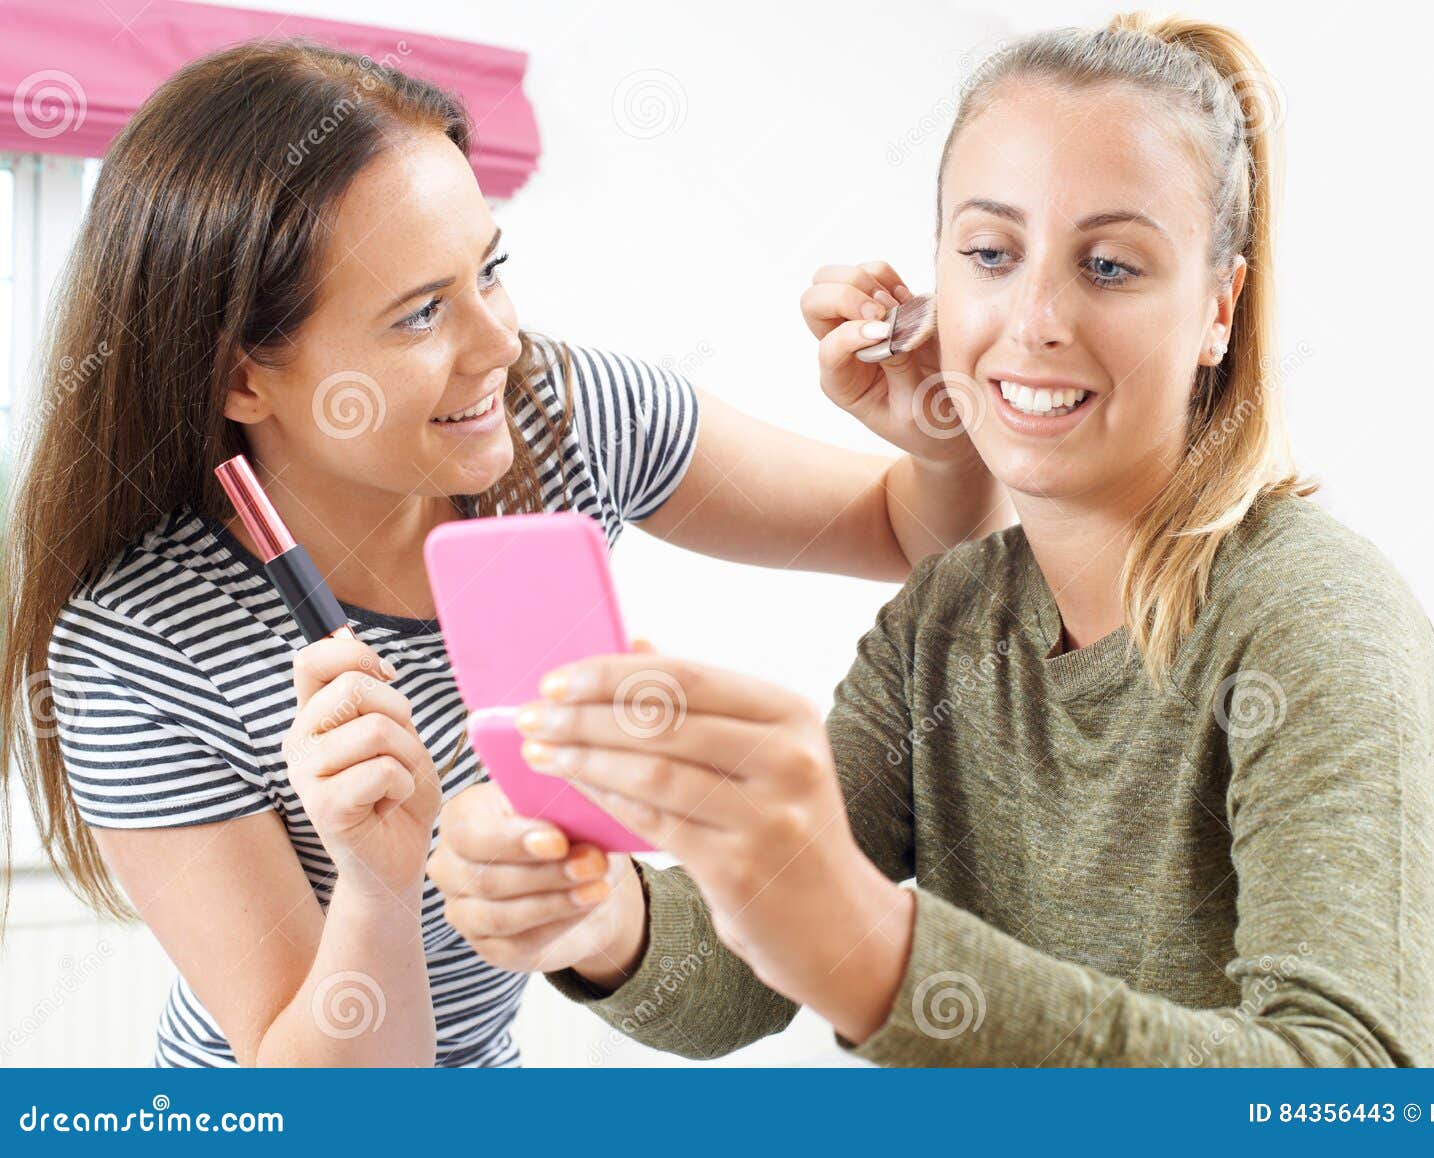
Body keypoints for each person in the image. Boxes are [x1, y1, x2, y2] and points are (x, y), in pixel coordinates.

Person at [430, 14, 1434, 1066]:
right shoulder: (942, 625)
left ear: (1219, 307)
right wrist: (595, 912)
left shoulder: (1316, 623)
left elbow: (1351, 1090)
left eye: (1111, 267)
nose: (1034, 317)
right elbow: (739, 973)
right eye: (990, 253)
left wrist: (873, 952)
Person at [0, 40, 1010, 1067]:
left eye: (489, 270)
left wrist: (940, 428)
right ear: (246, 379)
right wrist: (379, 883)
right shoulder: (136, 643)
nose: (501, 346)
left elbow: (908, 535)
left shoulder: (559, 414)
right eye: (423, 313)